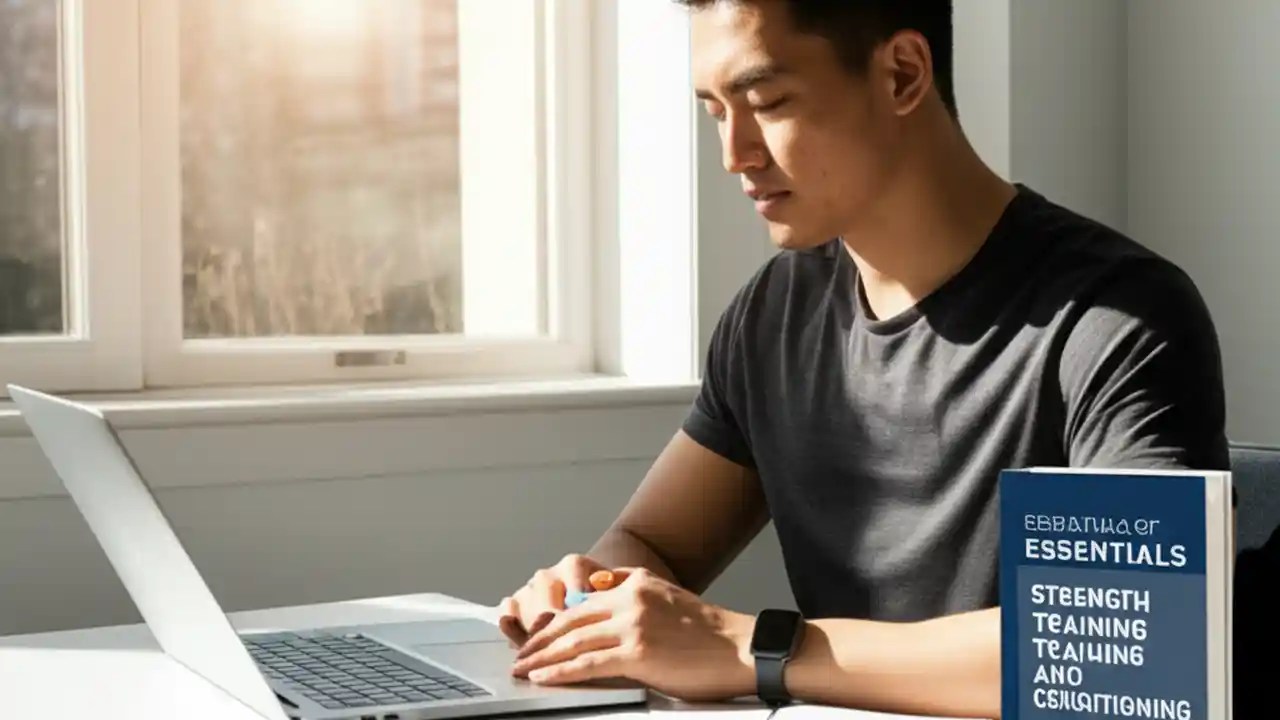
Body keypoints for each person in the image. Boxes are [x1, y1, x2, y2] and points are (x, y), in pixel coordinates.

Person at [497, 1, 1230, 717]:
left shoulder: (1115, 318)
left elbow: (1131, 644)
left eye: (768, 101)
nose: (734, 155)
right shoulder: (773, 313)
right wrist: (590, 599)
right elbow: (654, 540)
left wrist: (749, 648)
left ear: (904, 73)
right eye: (715, 110)